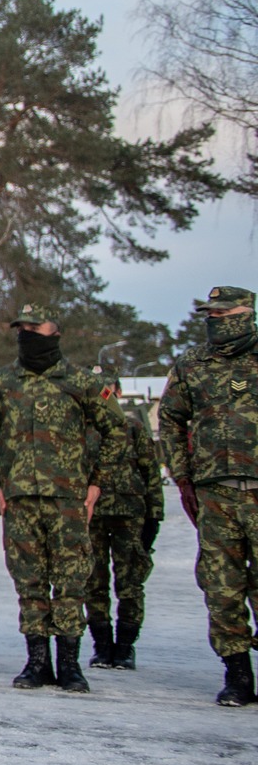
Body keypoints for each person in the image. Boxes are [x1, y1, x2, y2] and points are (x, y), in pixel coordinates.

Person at [0, 302, 124, 695]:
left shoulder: (82, 381)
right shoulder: (2, 382)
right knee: (30, 582)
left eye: (35, 328)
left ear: (55, 333)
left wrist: (97, 483)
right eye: (20, 328)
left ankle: (70, 664)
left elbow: (117, 431)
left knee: (72, 582)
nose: (26, 334)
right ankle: (37, 662)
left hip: (68, 500)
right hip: (20, 500)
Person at [158, 284, 258, 706]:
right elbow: (170, 421)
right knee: (222, 585)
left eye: (223, 312)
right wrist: (183, 478)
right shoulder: (192, 364)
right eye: (209, 314)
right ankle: (237, 675)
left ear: (247, 312)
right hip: (215, 493)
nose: (214, 320)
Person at [83, 385, 162, 670]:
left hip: (130, 514)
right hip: (92, 514)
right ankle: (102, 646)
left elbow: (151, 471)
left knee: (130, 583)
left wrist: (155, 516)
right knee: (94, 581)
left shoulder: (133, 426)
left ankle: (126, 646)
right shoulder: (81, 426)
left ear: (116, 390)